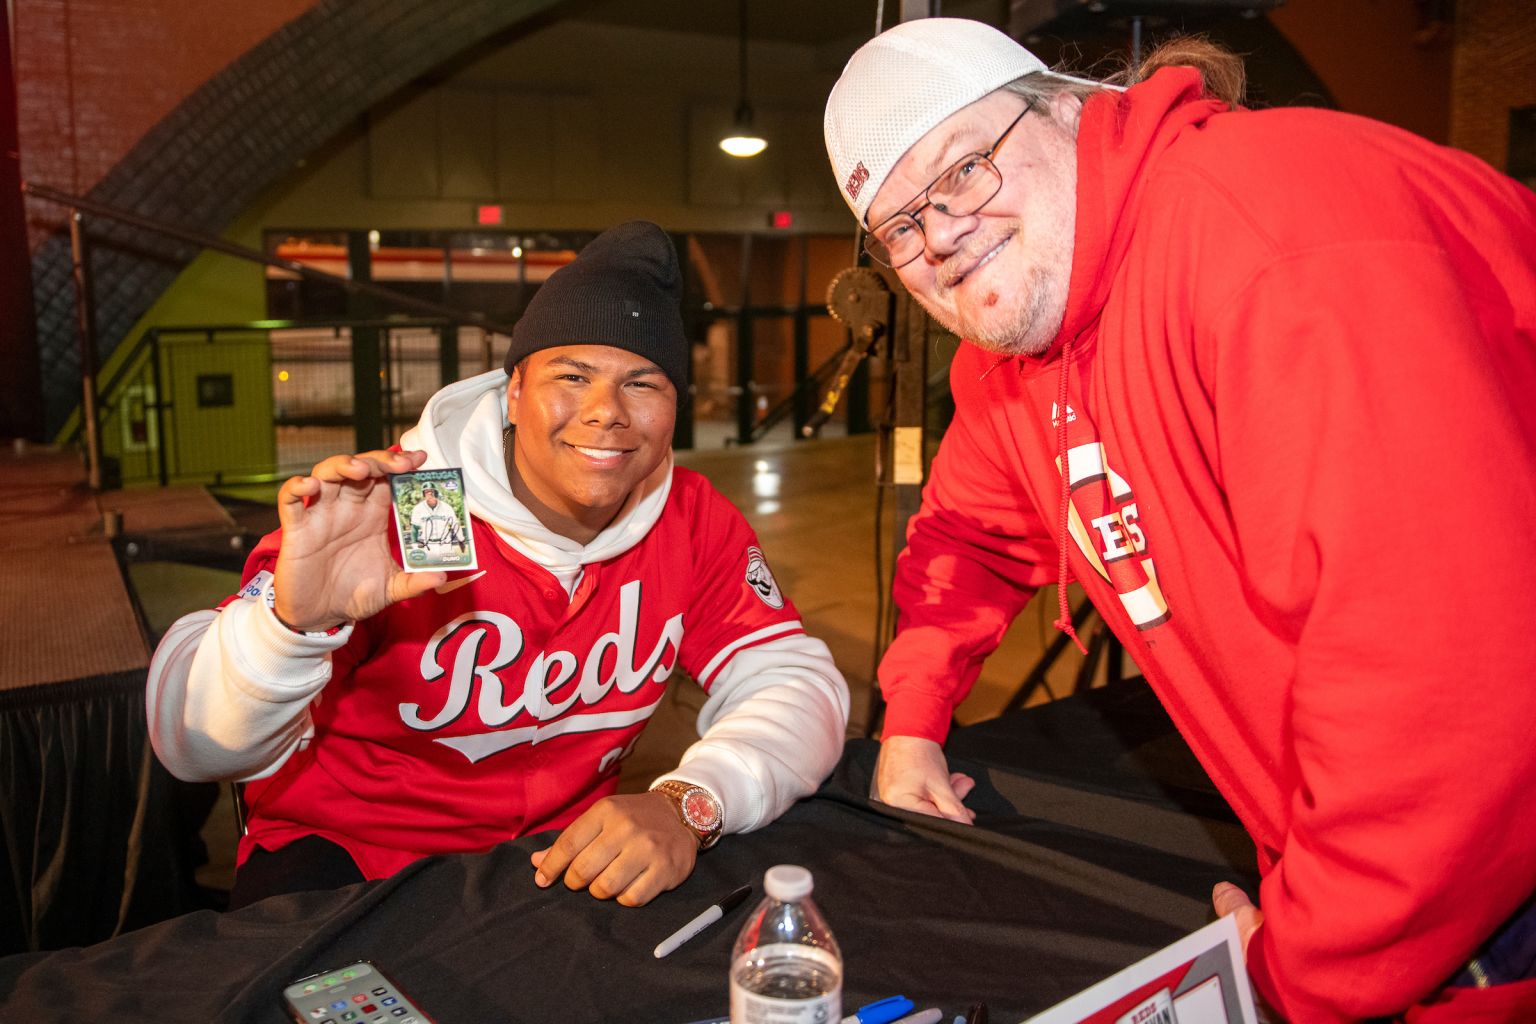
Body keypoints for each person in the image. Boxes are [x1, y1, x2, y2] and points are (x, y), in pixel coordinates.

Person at [823, 17, 1536, 1023]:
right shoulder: (1018, 354)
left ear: (1070, 109)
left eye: (965, 170)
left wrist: (1303, 973)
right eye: (900, 227)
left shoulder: (1273, 229)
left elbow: (1448, 694)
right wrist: (914, 716)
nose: (938, 237)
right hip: (1363, 859)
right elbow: (968, 539)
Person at [148, 221, 849, 910]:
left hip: (552, 862)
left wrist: (691, 802)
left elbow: (797, 683)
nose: (607, 413)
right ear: (513, 391)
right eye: (572, 376)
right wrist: (289, 626)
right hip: (346, 857)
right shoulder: (408, 503)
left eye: (644, 383)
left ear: (676, 409)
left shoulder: (688, 517)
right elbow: (189, 744)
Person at [407, 483, 458, 549]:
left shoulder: (446, 507)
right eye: (426, 491)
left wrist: (461, 539)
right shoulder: (418, 509)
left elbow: (455, 524)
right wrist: (414, 545)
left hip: (445, 543)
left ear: (435, 492)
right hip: (429, 544)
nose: (429, 493)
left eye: (431, 491)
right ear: (423, 494)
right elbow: (414, 528)